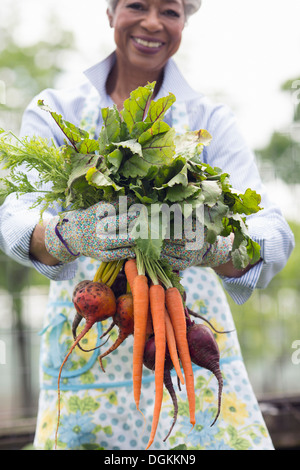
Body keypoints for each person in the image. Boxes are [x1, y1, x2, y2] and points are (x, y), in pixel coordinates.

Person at [0, 0, 295, 451]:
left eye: (171, 11)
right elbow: (15, 216)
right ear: (111, 13)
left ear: (185, 21)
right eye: (137, 4)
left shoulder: (207, 119)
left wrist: (217, 248)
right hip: (88, 322)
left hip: (187, 329)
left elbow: (273, 234)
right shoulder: (56, 108)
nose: (153, 22)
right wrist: (64, 236)